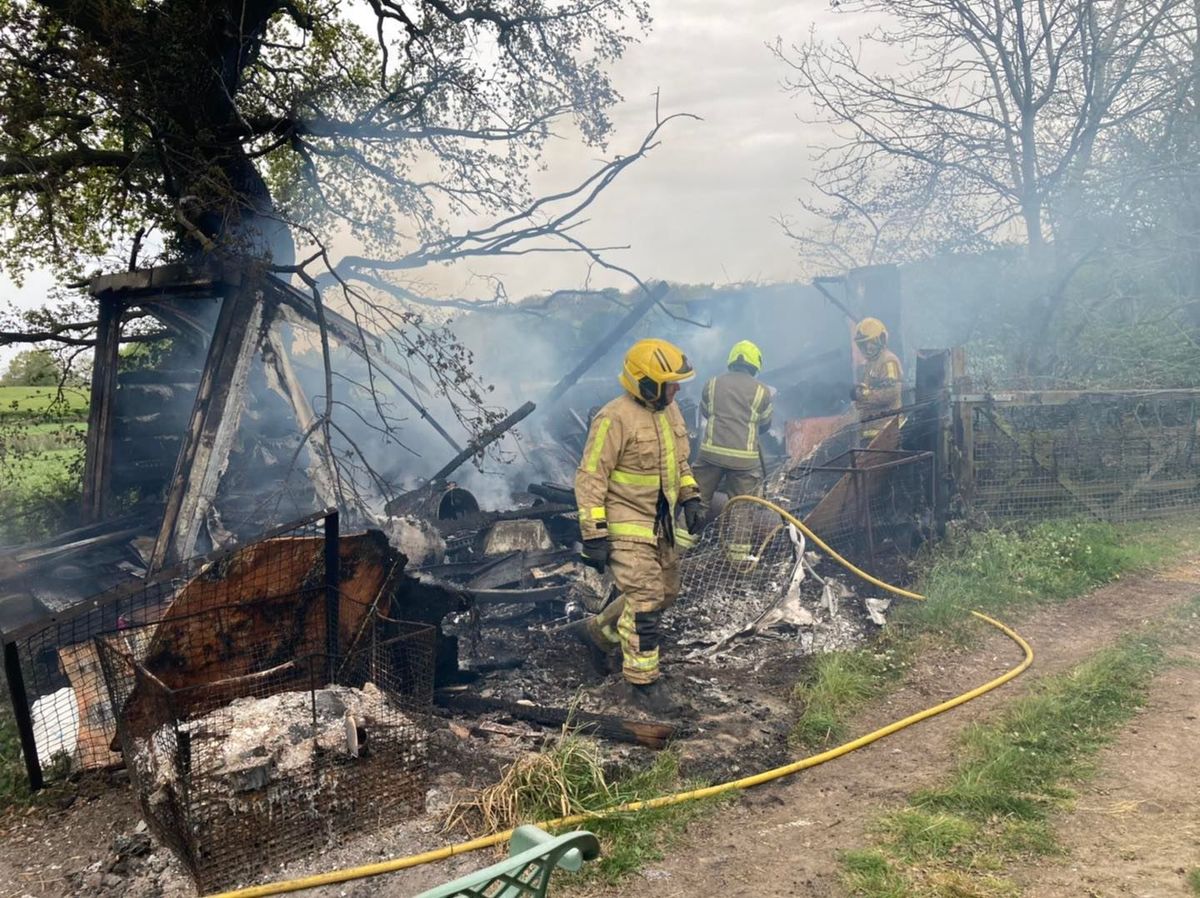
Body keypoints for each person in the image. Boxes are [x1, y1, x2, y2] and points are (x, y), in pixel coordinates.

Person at [569, 338, 704, 716]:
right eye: (670, 384)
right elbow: (590, 478)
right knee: (646, 600)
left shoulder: (670, 412)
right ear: (646, 383)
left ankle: (597, 633)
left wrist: (691, 497)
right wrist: (594, 535)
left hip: (660, 525)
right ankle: (642, 685)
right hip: (626, 525)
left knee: (666, 593)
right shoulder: (613, 418)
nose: (677, 390)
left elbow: (681, 463)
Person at [691, 340, 774, 525]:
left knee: (696, 502)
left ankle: (681, 539)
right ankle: (735, 545)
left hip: (711, 455)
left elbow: (706, 412)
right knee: (741, 512)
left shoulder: (712, 384)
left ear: (731, 361)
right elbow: (765, 424)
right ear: (755, 365)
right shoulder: (762, 391)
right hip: (744, 461)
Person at [851, 318, 903, 442]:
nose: (867, 348)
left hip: (887, 430)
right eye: (863, 344)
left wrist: (866, 396)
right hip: (871, 430)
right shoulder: (869, 363)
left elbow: (892, 392)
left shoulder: (889, 361)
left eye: (871, 342)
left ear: (881, 339)